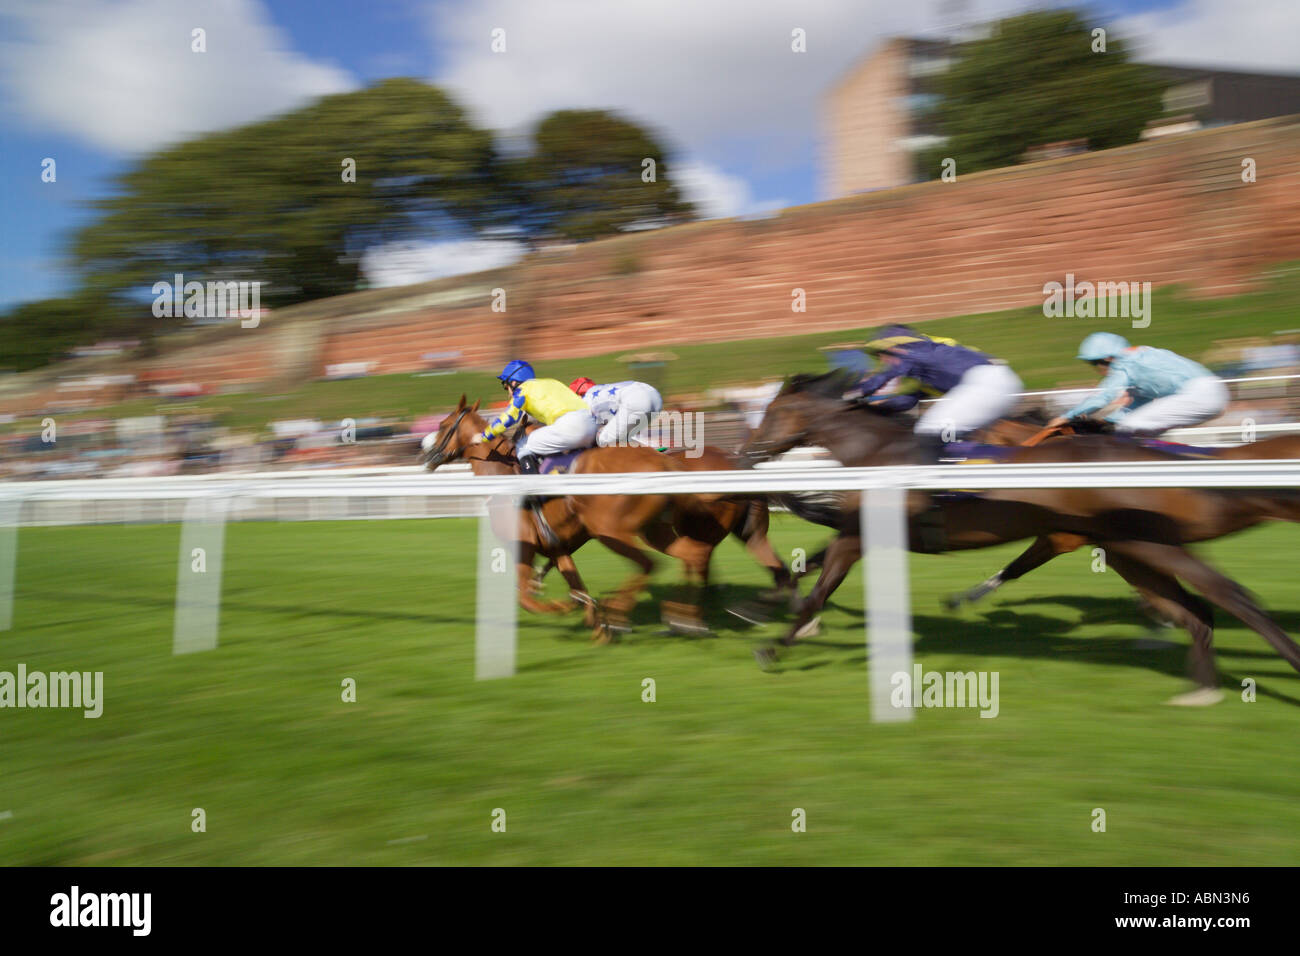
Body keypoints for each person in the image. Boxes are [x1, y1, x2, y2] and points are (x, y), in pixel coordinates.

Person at [849, 325, 1024, 454]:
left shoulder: (909, 352)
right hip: (1000, 384)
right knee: (948, 436)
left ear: (894, 347)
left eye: (882, 355)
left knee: (926, 432)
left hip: (985, 384)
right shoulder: (924, 367)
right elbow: (908, 400)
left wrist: (849, 394)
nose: (882, 361)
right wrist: (869, 406)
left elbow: (884, 376)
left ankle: (936, 492)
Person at [1047, 333, 1229, 437]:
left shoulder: (1124, 364)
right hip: (1211, 391)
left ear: (1107, 358)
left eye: (1094, 364)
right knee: (1135, 424)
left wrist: (1066, 417)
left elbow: (1103, 397)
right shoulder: (1137, 362)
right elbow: (1138, 404)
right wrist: (1106, 421)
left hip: (1199, 394)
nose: (1095, 369)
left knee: (1132, 425)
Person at [474, 361, 597, 472]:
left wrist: (485, 435)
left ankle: (533, 491)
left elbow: (509, 417)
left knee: (522, 446)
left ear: (514, 382)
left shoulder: (523, 390)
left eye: (507, 387)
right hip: (591, 425)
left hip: (569, 426)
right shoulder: (552, 382)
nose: (508, 394)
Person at [570, 377, 664, 448]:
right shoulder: (600, 391)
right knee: (621, 435)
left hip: (636, 398)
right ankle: (652, 447)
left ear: (578, 394)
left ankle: (649, 450)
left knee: (602, 440)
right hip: (654, 395)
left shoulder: (584, 400)